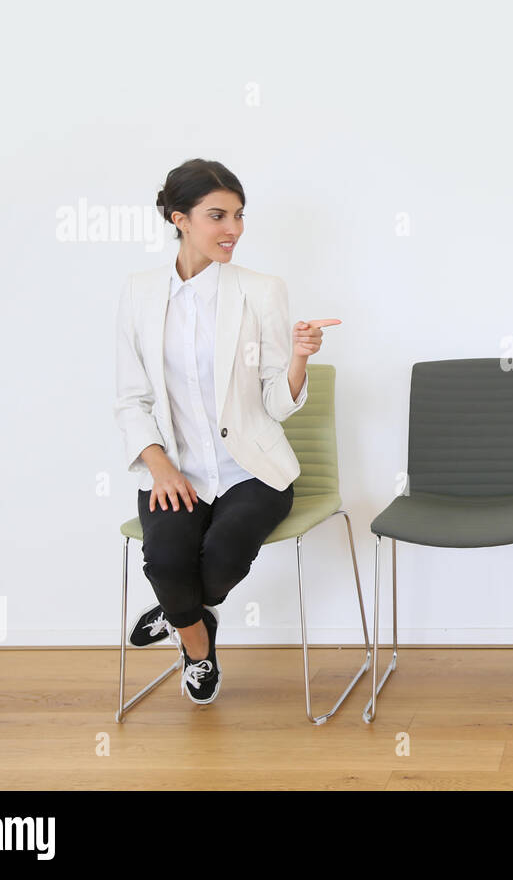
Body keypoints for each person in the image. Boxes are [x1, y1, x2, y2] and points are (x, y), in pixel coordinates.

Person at [114, 158, 332, 705]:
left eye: (238, 215)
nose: (232, 229)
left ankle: (176, 610)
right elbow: (130, 398)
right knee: (165, 560)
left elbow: (277, 404)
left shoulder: (260, 291)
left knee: (224, 555)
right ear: (179, 217)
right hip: (176, 470)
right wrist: (160, 467)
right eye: (217, 215)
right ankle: (197, 647)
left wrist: (299, 359)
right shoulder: (139, 294)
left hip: (253, 469)